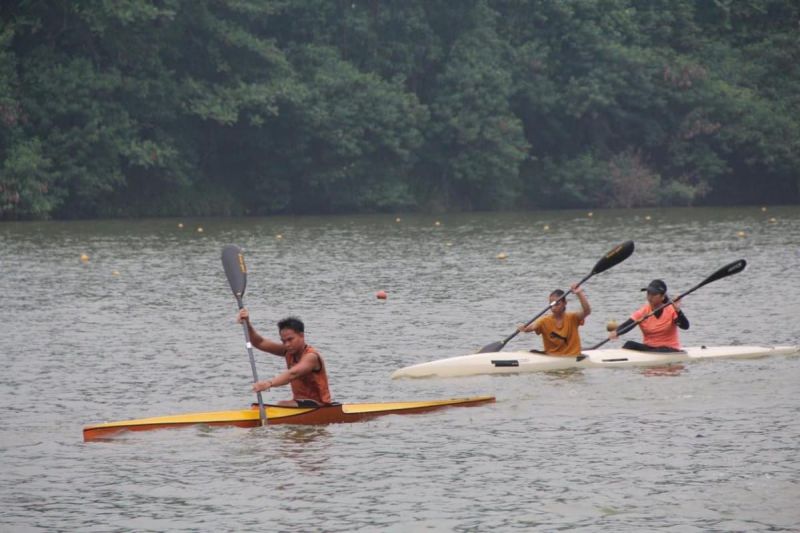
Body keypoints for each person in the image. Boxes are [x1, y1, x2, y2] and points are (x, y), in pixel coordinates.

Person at [237, 309, 332, 406]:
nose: (287, 344)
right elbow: (260, 342)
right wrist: (247, 324)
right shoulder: (288, 351)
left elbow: (292, 373)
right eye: (284, 341)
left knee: (282, 404)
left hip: (319, 406)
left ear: (301, 335)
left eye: (290, 339)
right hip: (300, 403)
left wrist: (268, 383)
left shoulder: (311, 357)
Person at [609, 279, 689, 352]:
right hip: (649, 348)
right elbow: (629, 324)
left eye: (654, 294)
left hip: (669, 349)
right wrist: (617, 332)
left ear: (663, 297)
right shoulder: (643, 311)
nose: (650, 297)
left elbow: (685, 326)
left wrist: (678, 310)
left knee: (660, 350)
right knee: (629, 344)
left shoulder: (671, 310)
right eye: (648, 293)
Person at [517, 284, 591, 356]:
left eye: (557, 304)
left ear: (565, 303)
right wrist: (524, 328)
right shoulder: (544, 320)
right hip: (552, 356)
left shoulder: (573, 317)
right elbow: (531, 327)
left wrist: (579, 293)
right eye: (551, 304)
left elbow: (587, 311)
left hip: (572, 356)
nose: (553, 307)